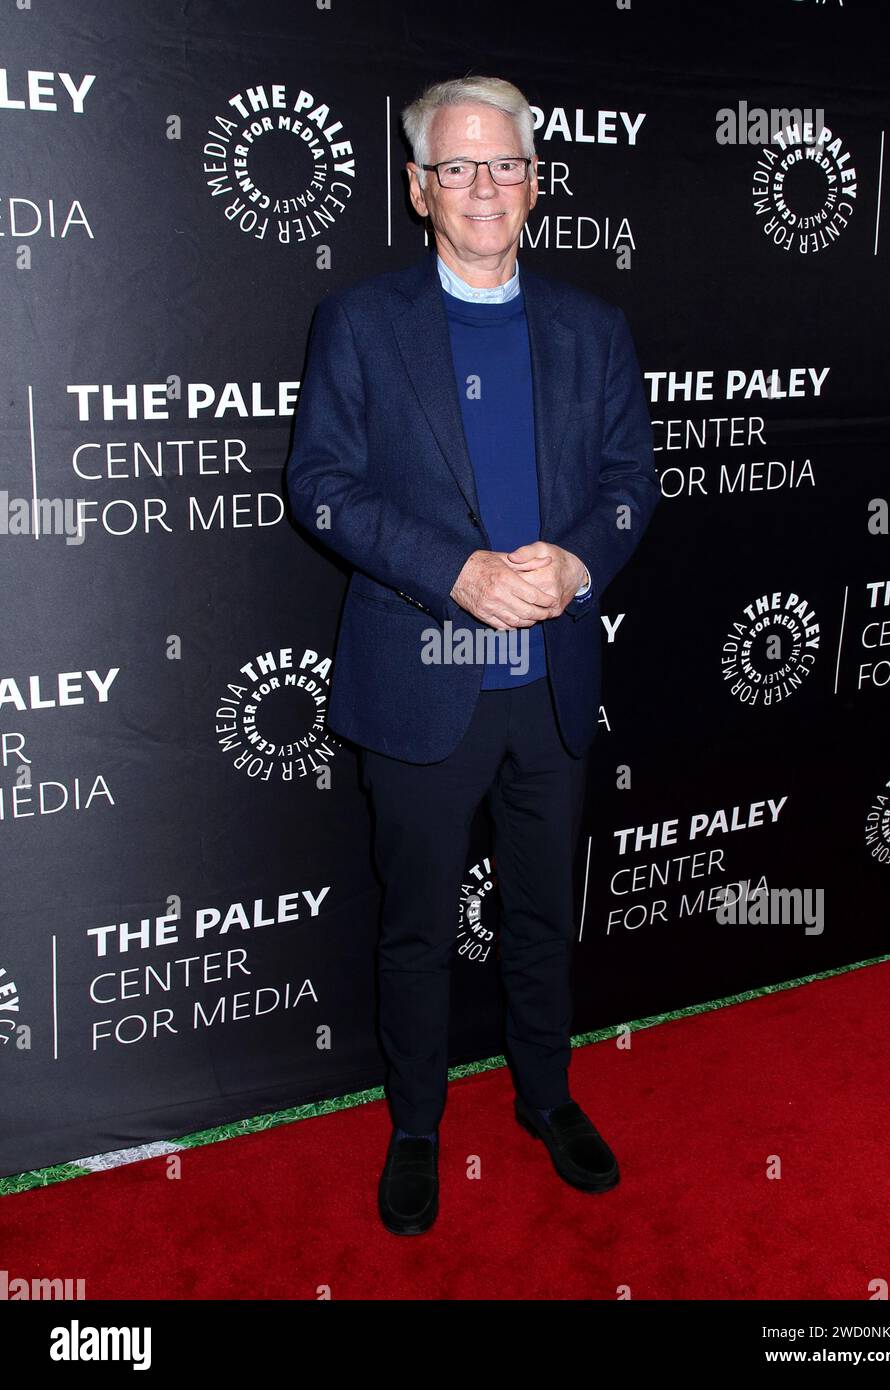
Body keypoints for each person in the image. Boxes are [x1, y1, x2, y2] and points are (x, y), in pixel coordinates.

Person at [286, 74, 660, 1235]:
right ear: (417, 189)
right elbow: (320, 488)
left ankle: (544, 1096)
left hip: (550, 685)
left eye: (502, 163)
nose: (482, 186)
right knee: (414, 925)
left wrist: (579, 564)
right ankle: (414, 1122)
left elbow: (627, 485)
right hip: (419, 686)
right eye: (455, 167)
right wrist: (452, 573)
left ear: (534, 182)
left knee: (544, 910)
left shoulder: (592, 329)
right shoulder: (359, 322)